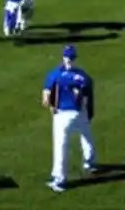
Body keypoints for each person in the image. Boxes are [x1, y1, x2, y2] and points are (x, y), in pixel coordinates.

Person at [44, 45, 98, 193]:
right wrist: (89, 113)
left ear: (63, 57)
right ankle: (90, 162)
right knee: (86, 135)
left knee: (60, 147)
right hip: (80, 113)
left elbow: (46, 99)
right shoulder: (83, 75)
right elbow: (88, 96)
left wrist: (51, 109)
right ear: (74, 58)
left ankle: (59, 179)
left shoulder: (54, 75)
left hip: (62, 115)